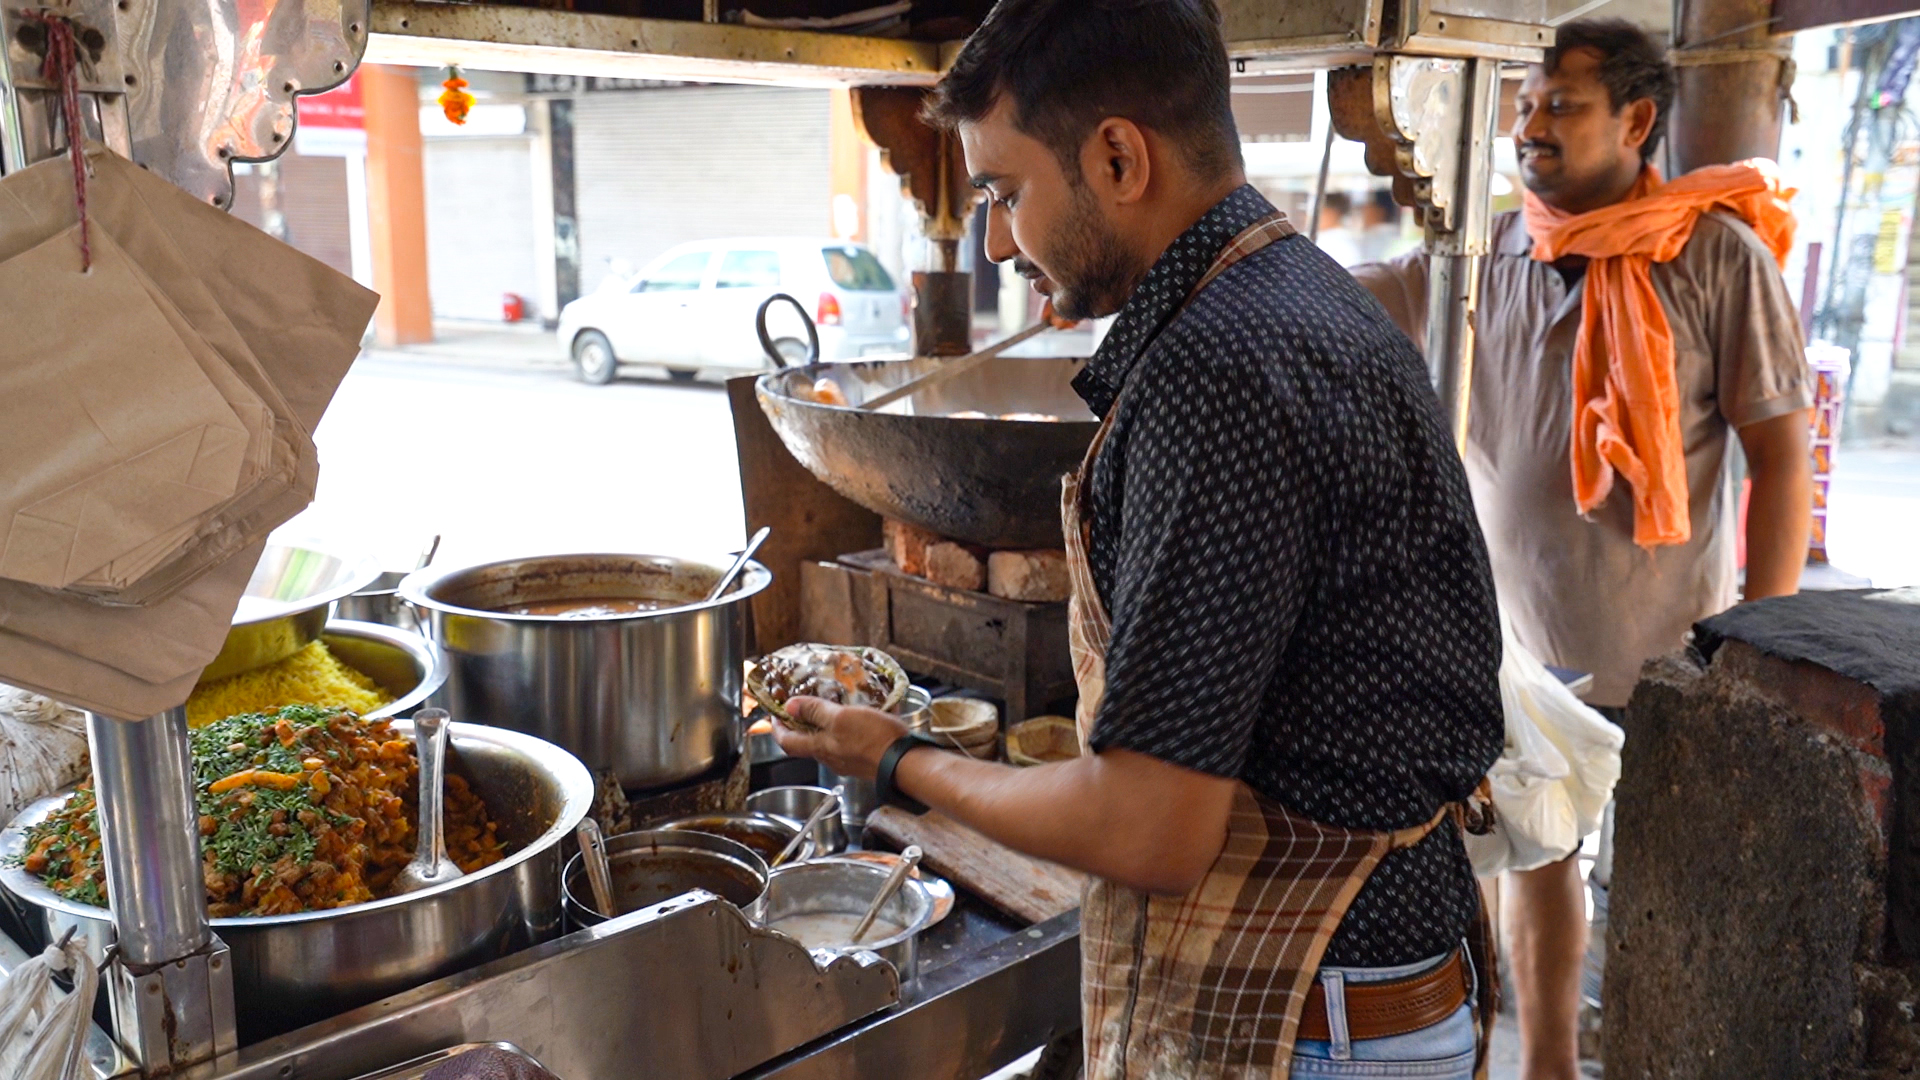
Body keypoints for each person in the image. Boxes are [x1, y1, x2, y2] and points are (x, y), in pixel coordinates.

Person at [773, 2, 1505, 1077]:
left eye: (1005, 191)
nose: (995, 239)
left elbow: (1149, 829)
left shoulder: (1221, 369)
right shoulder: (1300, 302)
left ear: (1118, 156)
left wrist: (897, 758)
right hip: (1374, 991)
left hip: (1318, 1027)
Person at [1353, 19, 1813, 1080]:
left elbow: (1782, 459)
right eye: (1524, 103)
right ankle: (1551, 1065)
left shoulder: (1714, 256)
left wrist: (1766, 649)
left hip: (1672, 647)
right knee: (1537, 850)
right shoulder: (1490, 246)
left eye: (1560, 104)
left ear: (1638, 120)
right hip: (1520, 638)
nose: (1529, 126)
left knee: (1668, 877)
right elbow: (1385, 292)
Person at [1315, 191, 1362, 266]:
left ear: (1331, 212)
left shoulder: (1341, 244)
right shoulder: (1323, 236)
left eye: (1316, 211)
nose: (1308, 217)